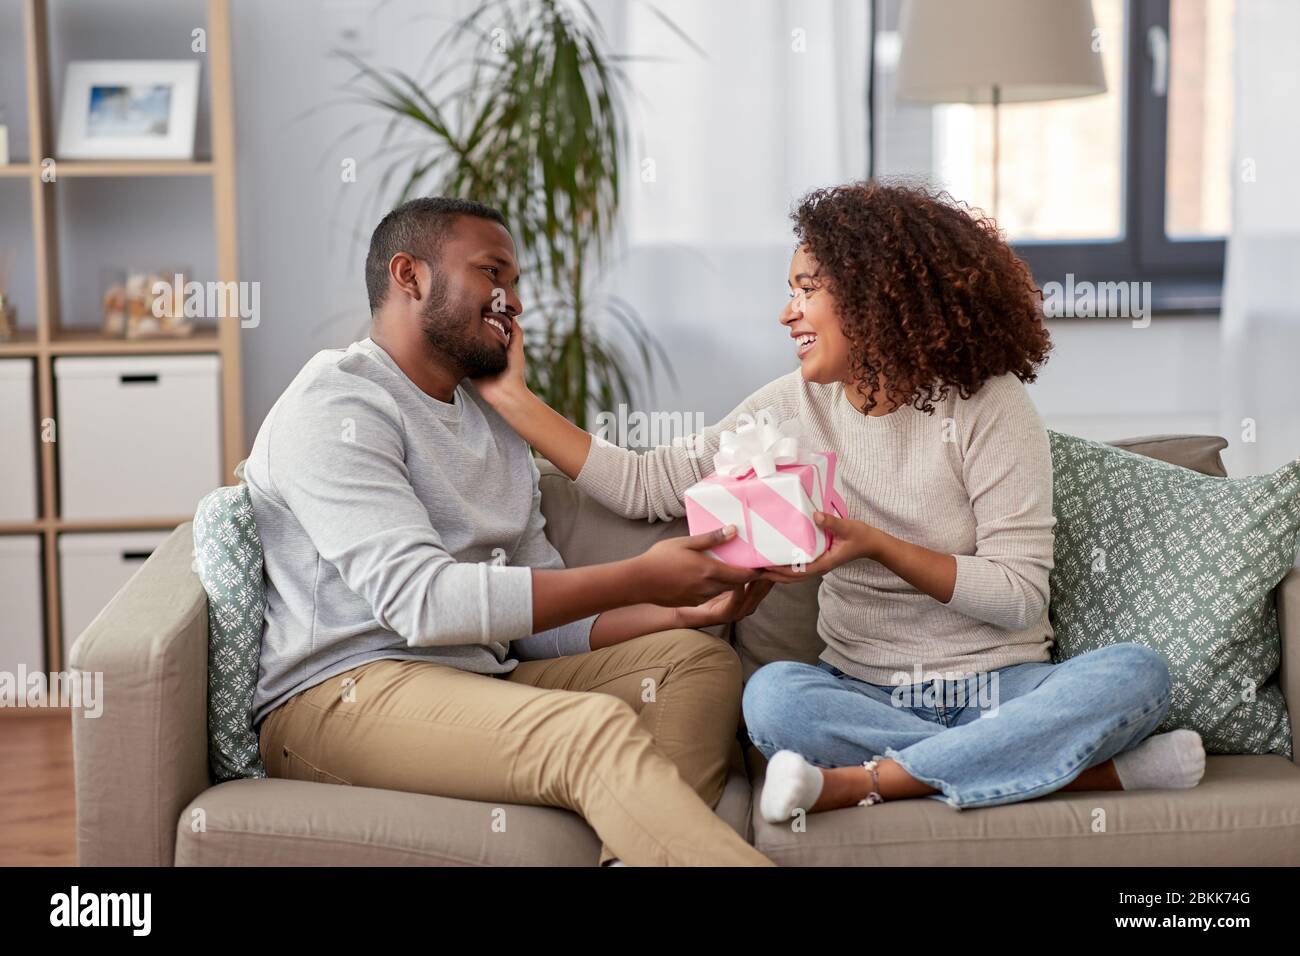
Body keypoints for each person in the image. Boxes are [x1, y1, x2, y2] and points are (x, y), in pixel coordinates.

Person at [476, 181, 1207, 825]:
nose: (786, 314)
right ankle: (1090, 772)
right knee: (774, 699)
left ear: (877, 292)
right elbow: (644, 484)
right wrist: (513, 396)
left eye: (805, 289)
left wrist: (876, 543)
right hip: (863, 696)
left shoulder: (990, 407)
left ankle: (863, 783)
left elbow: (1019, 597)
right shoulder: (792, 408)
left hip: (1004, 689)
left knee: (1135, 674)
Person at [244, 197, 774, 866]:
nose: (514, 301)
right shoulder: (338, 403)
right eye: (493, 273)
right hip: (341, 698)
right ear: (411, 277)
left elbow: (536, 617)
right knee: (589, 731)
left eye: (517, 282)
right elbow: (424, 603)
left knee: (695, 660)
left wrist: (673, 608)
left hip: (480, 679)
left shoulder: (492, 422)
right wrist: (641, 573)